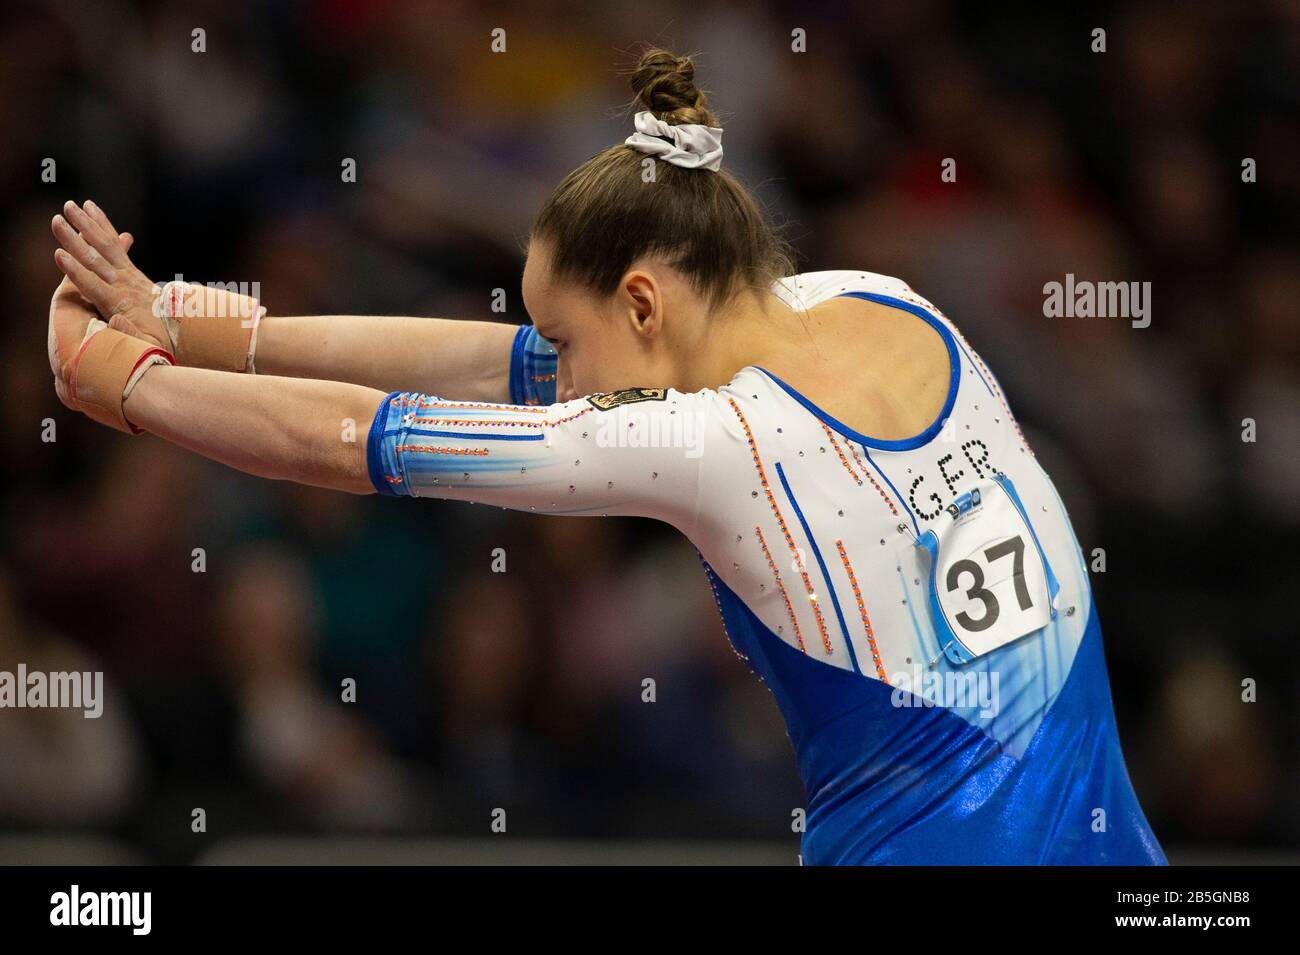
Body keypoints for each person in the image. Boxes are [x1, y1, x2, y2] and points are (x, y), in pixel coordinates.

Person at [45, 48, 1165, 865]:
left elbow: (356, 439)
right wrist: (182, 316)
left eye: (568, 344)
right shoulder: (880, 303)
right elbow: (480, 360)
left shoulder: (711, 443)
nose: (560, 377)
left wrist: (129, 388)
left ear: (641, 298)